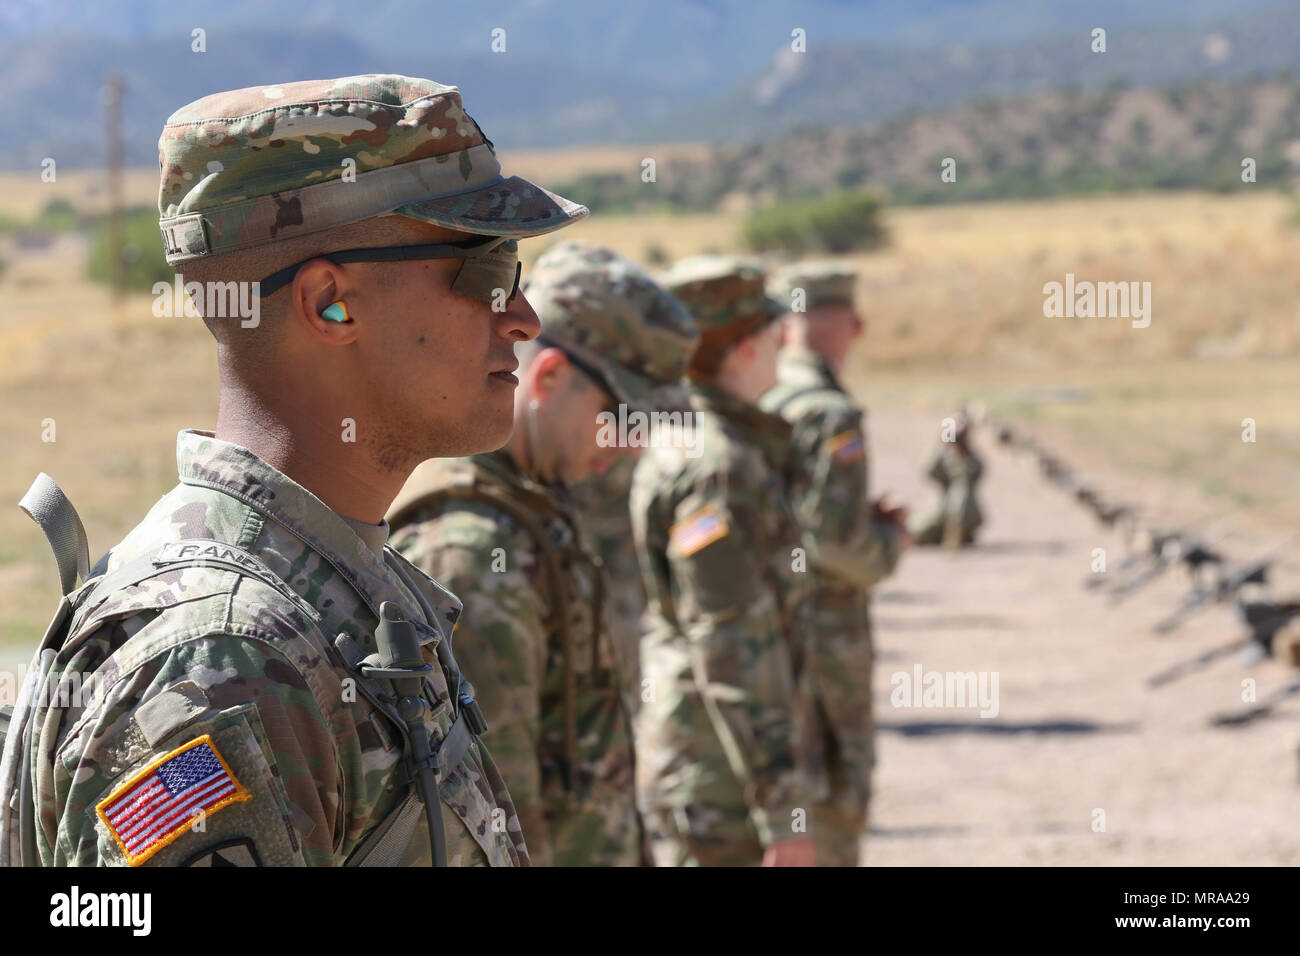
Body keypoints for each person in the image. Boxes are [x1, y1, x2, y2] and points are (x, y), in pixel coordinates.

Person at [0, 74, 587, 867]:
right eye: (488, 268)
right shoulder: (223, 661)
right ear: (330, 304)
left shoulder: (345, 587)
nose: (523, 318)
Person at [386, 240, 698, 866]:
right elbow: (496, 828)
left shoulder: (534, 506)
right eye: (622, 420)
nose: (632, 447)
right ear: (550, 378)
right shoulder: (475, 549)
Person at [632, 255, 816, 867]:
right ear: (741, 348)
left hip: (709, 752)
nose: (785, 347)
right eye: (773, 334)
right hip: (722, 774)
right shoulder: (721, 468)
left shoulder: (690, 440)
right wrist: (782, 810)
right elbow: (729, 638)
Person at [760, 260, 909, 866]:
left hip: (762, 636)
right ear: (854, 325)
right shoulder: (829, 413)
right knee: (833, 809)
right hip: (824, 640)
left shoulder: (761, 398)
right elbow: (840, 547)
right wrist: (891, 541)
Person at [913, 411, 985, 547]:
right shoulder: (944, 456)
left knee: (961, 493)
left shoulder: (971, 459)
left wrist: (965, 449)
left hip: (965, 516)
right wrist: (942, 443)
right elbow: (928, 470)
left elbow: (973, 475)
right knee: (916, 530)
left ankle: (957, 534)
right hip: (941, 511)